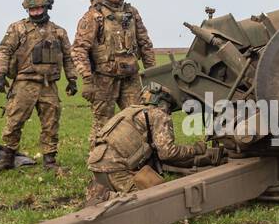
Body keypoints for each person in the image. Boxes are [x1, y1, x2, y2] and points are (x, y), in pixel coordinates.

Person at [85, 83, 218, 203]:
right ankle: (104, 196)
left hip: (98, 162)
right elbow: (168, 153)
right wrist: (195, 149)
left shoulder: (131, 110)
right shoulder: (158, 114)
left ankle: (101, 187)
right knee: (148, 200)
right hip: (113, 167)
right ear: (165, 102)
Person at [71, 0, 155, 142]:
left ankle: (139, 161)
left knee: (139, 120)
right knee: (103, 126)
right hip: (103, 80)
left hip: (130, 77)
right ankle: (98, 164)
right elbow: (79, 49)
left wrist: (152, 74)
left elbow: (144, 43)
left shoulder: (132, 13)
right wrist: (87, 79)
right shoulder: (94, 16)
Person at [0, 0, 77, 168]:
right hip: (25, 83)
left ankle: (50, 160)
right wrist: (0, 74)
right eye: (32, 9)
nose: (35, 12)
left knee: (51, 123)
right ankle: (7, 158)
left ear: (46, 7)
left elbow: (69, 57)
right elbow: (4, 50)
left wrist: (72, 79)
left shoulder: (58, 32)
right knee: (14, 121)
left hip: (49, 85)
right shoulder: (17, 28)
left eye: (39, 8)